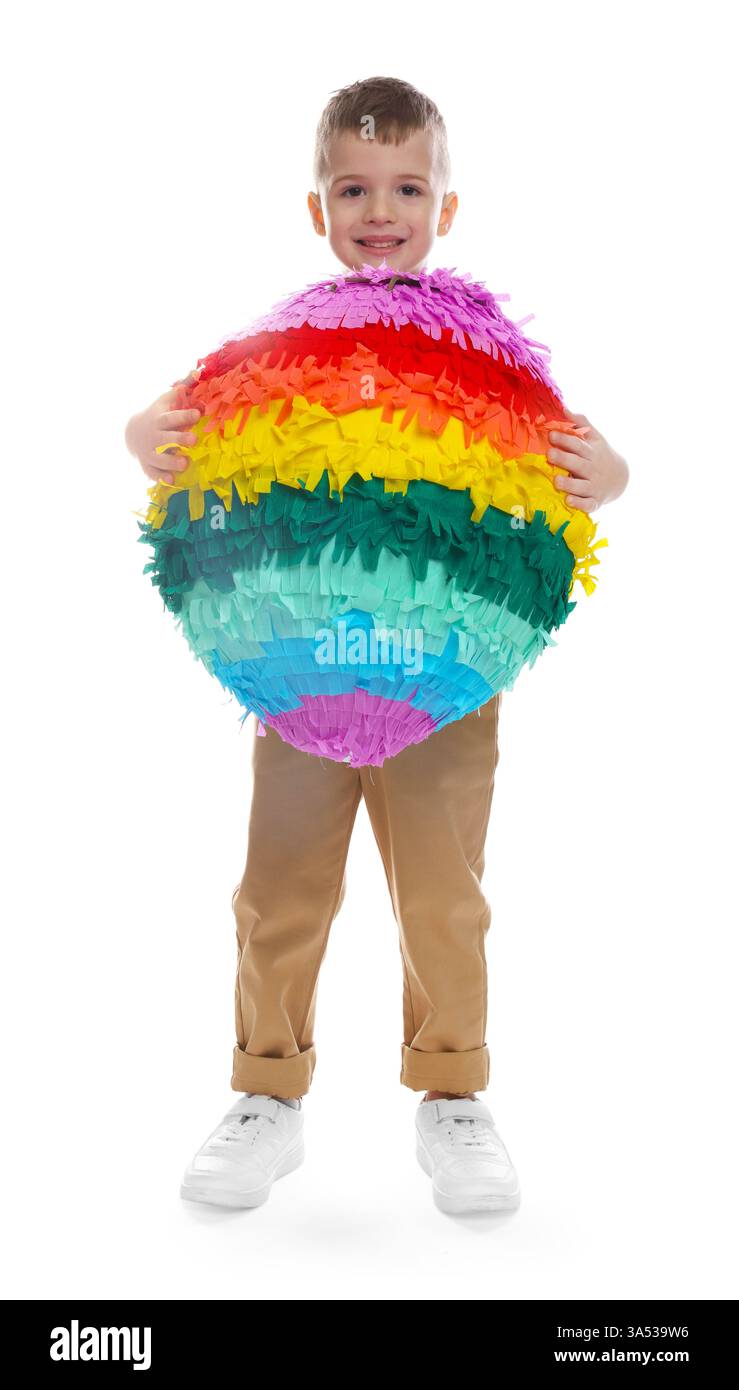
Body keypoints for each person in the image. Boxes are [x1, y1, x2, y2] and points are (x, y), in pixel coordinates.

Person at [124, 76, 629, 1215]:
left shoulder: (484, 346)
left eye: (408, 185)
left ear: (446, 207)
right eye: (353, 188)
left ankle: (452, 1093)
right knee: (277, 888)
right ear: (318, 209)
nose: (380, 209)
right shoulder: (282, 336)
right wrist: (137, 433)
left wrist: (614, 476)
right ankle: (266, 1093)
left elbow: (568, 452)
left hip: (447, 681)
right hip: (295, 676)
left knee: (445, 895)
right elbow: (178, 424)